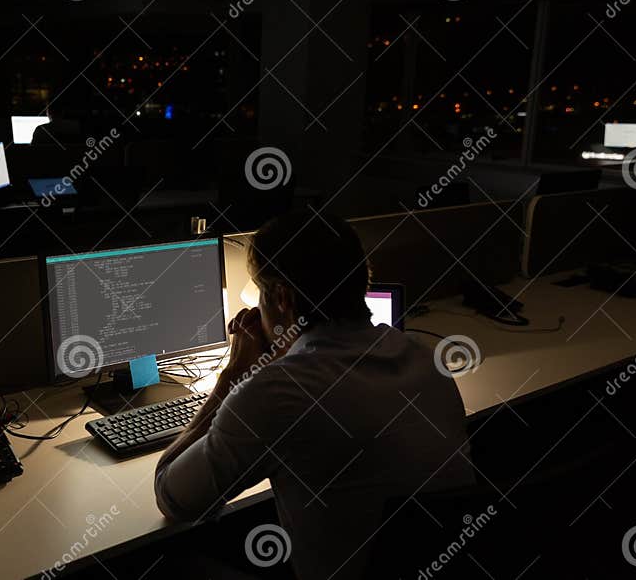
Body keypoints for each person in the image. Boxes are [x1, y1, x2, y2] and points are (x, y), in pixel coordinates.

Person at [154, 211, 474, 579]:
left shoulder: (275, 393)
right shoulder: (425, 355)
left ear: (282, 298)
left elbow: (173, 498)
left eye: (260, 291)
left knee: (165, 560)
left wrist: (234, 375)